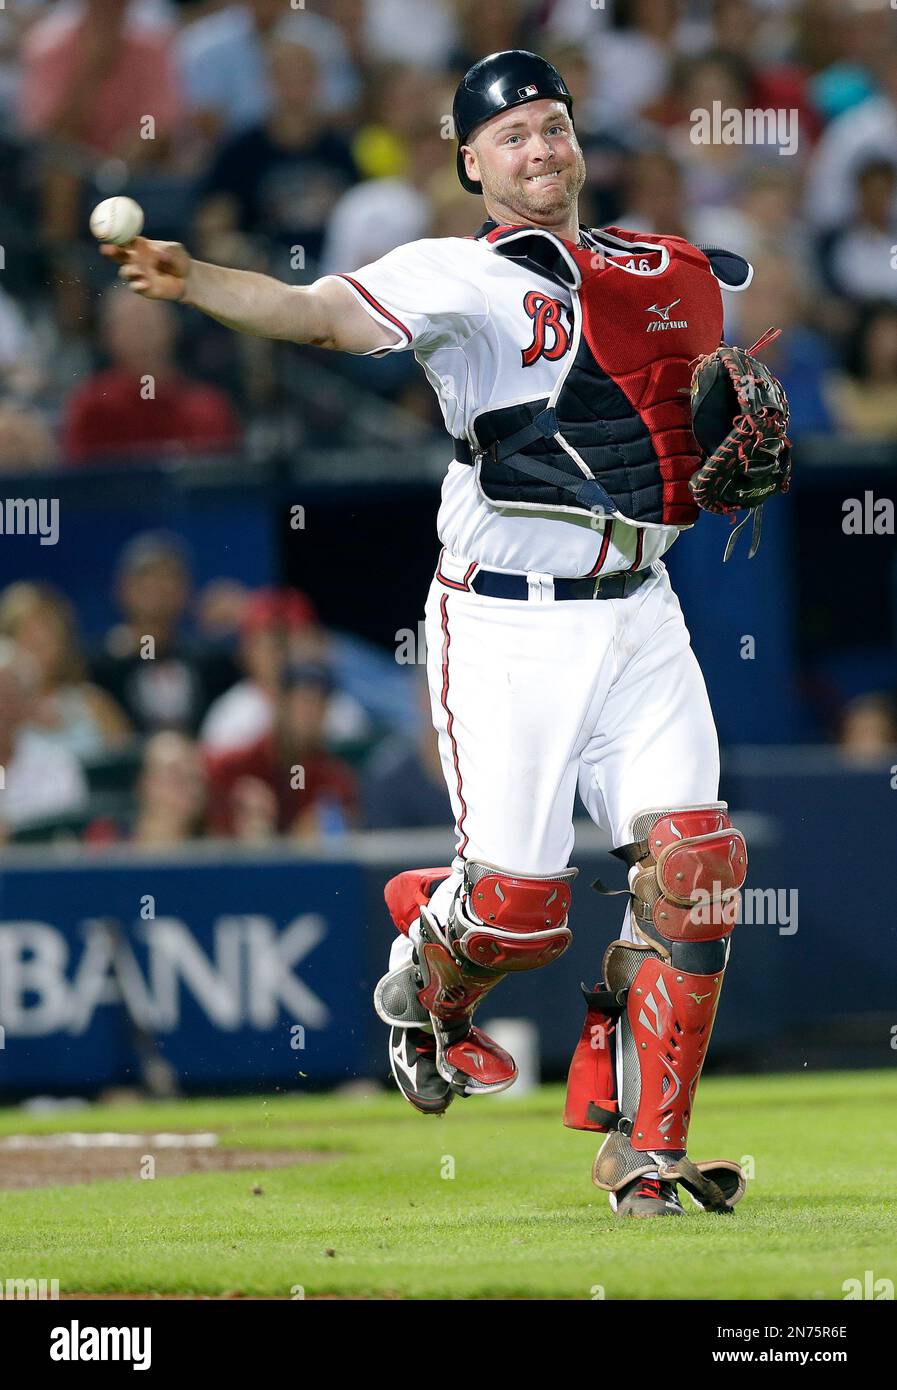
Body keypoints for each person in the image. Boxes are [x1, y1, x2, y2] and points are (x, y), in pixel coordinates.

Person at [99, 49, 791, 1218]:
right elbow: (317, 313)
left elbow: (710, 387)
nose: (540, 148)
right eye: (511, 134)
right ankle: (429, 969)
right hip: (508, 620)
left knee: (695, 868)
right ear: (470, 163)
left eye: (554, 126)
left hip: (643, 613)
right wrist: (195, 277)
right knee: (520, 908)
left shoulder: (663, 264)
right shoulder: (456, 278)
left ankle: (644, 1149)